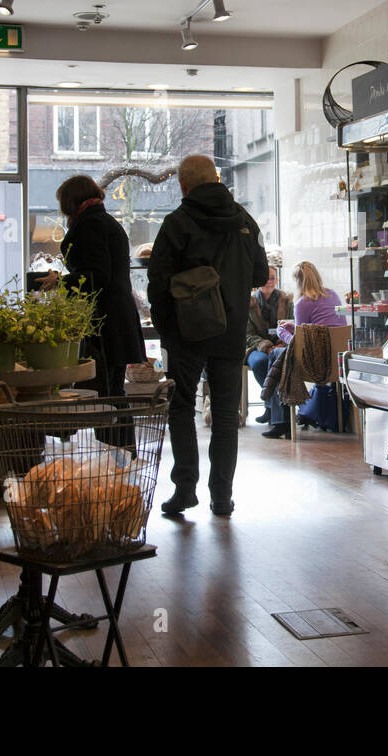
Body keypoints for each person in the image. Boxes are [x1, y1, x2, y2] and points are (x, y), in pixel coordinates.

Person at [148, 155, 267, 517]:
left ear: (184, 185)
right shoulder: (243, 220)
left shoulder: (177, 223)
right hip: (231, 333)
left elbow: (158, 284)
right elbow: (261, 274)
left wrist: (167, 331)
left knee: (181, 408)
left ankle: (184, 490)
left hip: (187, 335)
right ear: (216, 179)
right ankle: (221, 497)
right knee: (226, 415)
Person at [40, 175, 146, 399]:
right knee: (113, 391)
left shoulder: (91, 225)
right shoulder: (102, 221)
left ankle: (115, 433)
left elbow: (97, 275)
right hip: (117, 318)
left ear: (71, 201)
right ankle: (117, 433)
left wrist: (59, 282)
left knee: (107, 394)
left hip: (105, 321)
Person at [260, 260, 347, 438]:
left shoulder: (302, 303)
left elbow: (297, 344)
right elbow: (318, 329)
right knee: (281, 356)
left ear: (298, 282)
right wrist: (295, 326)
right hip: (336, 362)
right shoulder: (333, 295)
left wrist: (282, 331)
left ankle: (279, 419)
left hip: (314, 363)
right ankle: (275, 415)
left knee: (279, 355)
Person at [244, 266, 292, 426]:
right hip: (256, 347)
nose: (268, 281)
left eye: (272, 278)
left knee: (283, 361)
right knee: (261, 363)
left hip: (281, 344)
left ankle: (273, 410)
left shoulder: (286, 301)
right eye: (265, 278)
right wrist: (265, 346)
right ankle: (272, 407)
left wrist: (280, 344)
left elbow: (291, 326)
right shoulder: (248, 302)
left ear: (277, 280)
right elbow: (248, 334)